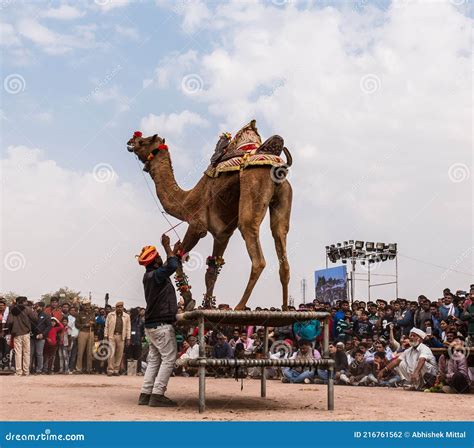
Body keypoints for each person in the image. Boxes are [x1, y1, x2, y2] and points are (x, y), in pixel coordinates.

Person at [137, 235, 182, 407]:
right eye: (159, 257)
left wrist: (174, 253)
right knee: (169, 359)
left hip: (152, 326)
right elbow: (171, 266)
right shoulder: (155, 275)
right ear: (155, 261)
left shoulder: (151, 275)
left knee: (155, 360)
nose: (161, 258)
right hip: (161, 325)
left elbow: (171, 264)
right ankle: (157, 395)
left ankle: (146, 394)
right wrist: (167, 246)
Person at [6, 297, 37, 376]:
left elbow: (9, 322)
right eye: (26, 301)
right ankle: (26, 371)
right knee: (26, 352)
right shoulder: (28, 309)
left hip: (16, 333)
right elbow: (35, 318)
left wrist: (10, 330)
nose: (27, 302)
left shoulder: (13, 310)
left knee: (18, 353)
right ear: (23, 302)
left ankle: (19, 371)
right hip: (26, 333)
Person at [104, 301, 131, 376]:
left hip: (121, 336)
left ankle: (116, 370)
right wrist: (105, 336)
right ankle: (110, 370)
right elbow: (106, 326)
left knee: (119, 354)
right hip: (112, 335)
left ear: (123, 307)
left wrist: (128, 338)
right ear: (116, 308)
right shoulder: (110, 315)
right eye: (118, 307)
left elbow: (128, 328)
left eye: (121, 307)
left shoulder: (126, 316)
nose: (120, 308)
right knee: (111, 353)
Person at [73, 300, 95, 374]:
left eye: (88, 305)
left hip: (91, 332)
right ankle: (78, 369)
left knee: (90, 351)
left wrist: (93, 323)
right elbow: (76, 325)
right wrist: (85, 325)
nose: (87, 307)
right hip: (82, 332)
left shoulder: (93, 314)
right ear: (83, 306)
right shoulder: (79, 314)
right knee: (80, 352)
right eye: (85, 305)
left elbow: (95, 324)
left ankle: (89, 369)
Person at [30, 302, 51, 374]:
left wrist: (43, 334)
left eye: (37, 306)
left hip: (41, 337)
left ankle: (39, 369)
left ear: (42, 307)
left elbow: (49, 326)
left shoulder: (46, 315)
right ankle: (30, 368)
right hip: (32, 336)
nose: (36, 307)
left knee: (39, 353)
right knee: (31, 353)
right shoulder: (32, 314)